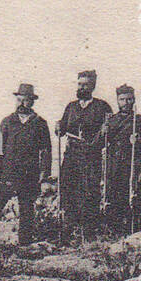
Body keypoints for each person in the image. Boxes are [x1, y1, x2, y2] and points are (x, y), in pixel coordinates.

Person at [0, 83, 52, 246]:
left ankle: (24, 244)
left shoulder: (40, 124)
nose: (21, 104)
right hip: (7, 173)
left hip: (29, 174)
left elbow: (45, 151)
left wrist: (44, 173)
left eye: (25, 100)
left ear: (32, 102)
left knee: (26, 209)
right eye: (18, 100)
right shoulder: (7, 122)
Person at [55, 70, 112, 240]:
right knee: (68, 191)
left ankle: (88, 235)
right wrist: (58, 127)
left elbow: (110, 129)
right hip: (71, 156)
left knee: (90, 193)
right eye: (79, 84)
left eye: (85, 84)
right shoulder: (71, 107)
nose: (82, 87)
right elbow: (62, 130)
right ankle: (67, 234)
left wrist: (105, 130)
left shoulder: (102, 107)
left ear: (93, 86)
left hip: (91, 157)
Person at [97, 84, 141, 235]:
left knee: (133, 198)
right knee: (114, 198)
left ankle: (133, 232)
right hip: (115, 165)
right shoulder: (111, 121)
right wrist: (103, 133)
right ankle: (115, 233)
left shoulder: (140, 122)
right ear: (117, 100)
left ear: (134, 100)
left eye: (129, 99)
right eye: (122, 99)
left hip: (133, 164)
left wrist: (138, 141)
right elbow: (99, 144)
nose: (126, 103)